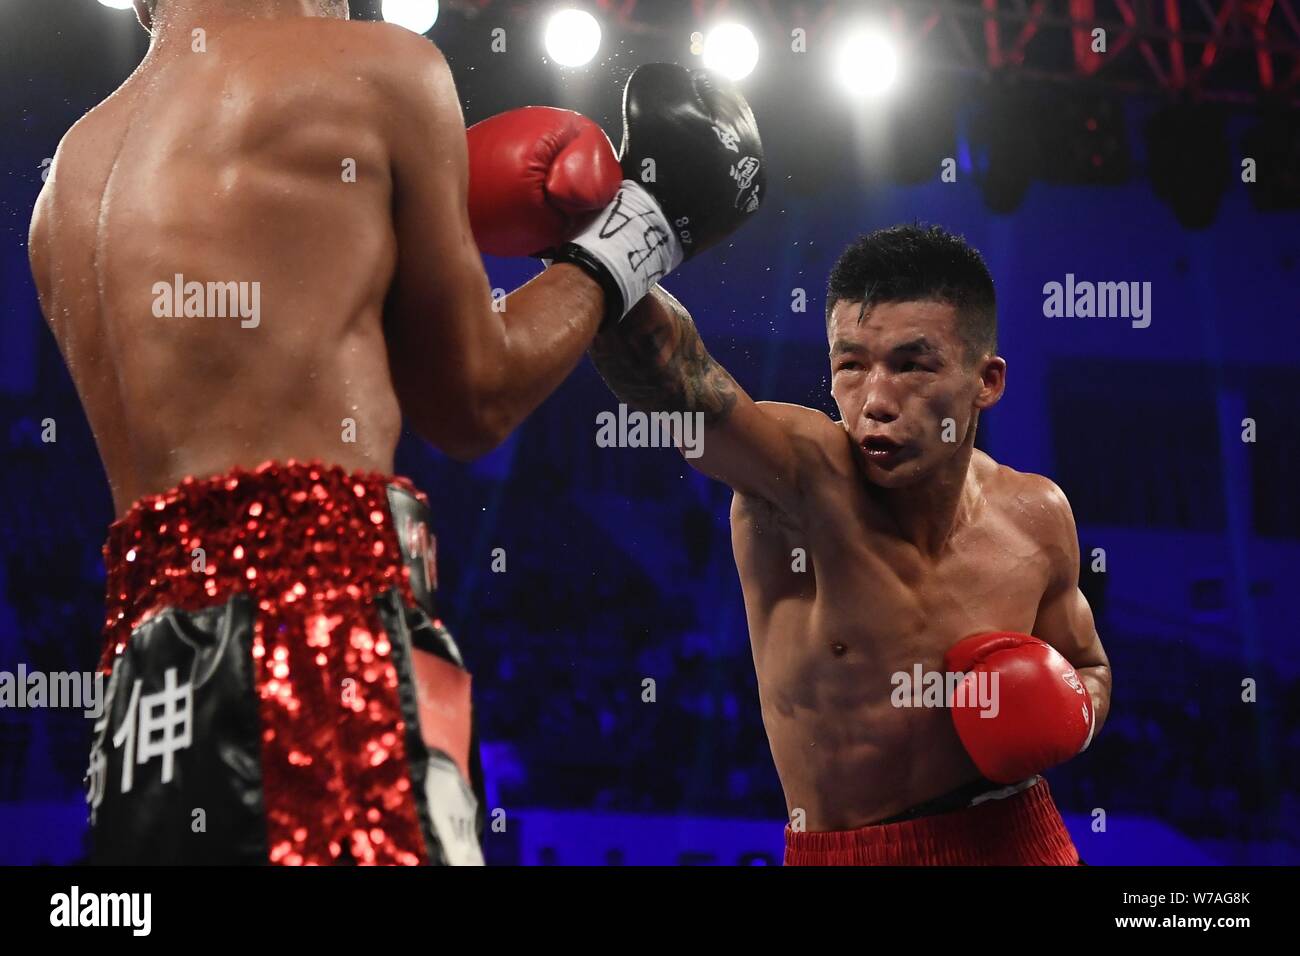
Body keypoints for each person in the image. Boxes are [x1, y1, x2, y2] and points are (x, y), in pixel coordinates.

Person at [27, 0, 761, 864]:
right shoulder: (375, 72)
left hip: (141, 690)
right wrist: (642, 227)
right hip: (319, 638)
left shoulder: (69, 178)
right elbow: (471, 400)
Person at [590, 224, 1111, 865]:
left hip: (1024, 841)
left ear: (988, 381)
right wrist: (605, 239)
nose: (876, 402)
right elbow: (669, 375)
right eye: (851, 365)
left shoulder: (1036, 515)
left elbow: (1088, 666)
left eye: (912, 366)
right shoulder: (799, 480)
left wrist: (1069, 712)